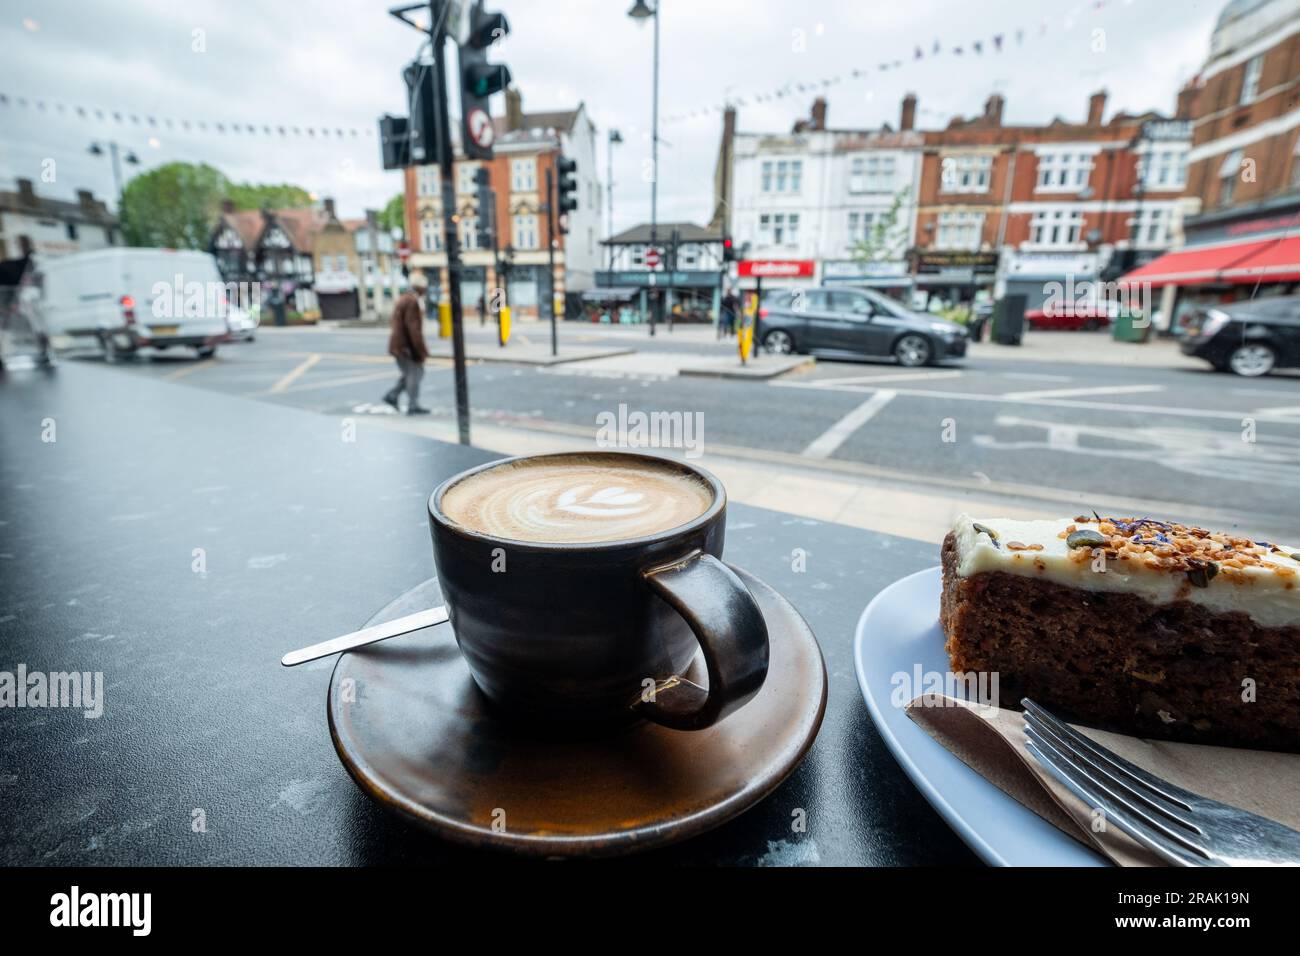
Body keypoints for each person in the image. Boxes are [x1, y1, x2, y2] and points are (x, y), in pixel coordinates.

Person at [382, 272, 430, 415]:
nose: (425, 290)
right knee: (415, 374)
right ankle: (412, 404)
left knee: (412, 373)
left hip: (400, 345)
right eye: (424, 288)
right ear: (419, 288)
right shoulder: (412, 301)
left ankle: (392, 395)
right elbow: (413, 329)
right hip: (406, 347)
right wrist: (419, 350)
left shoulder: (404, 298)